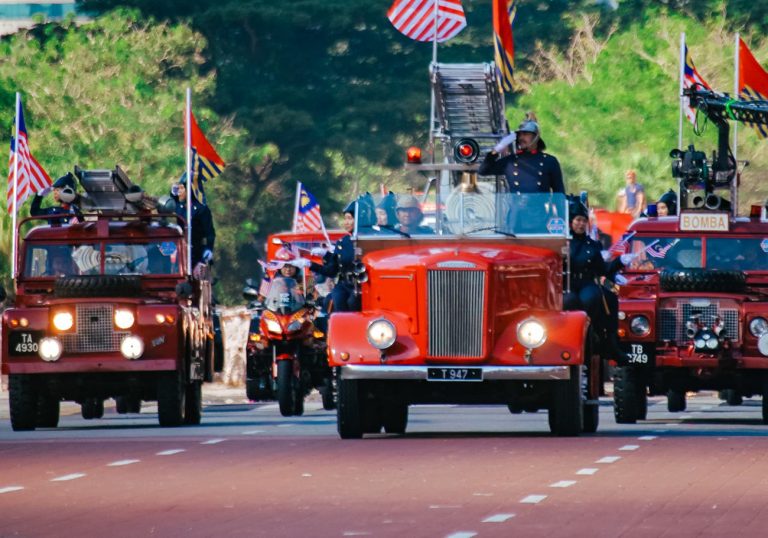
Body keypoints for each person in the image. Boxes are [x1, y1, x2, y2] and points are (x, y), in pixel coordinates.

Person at [564, 199, 634, 365]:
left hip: (586, 282)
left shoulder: (593, 245)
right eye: (578, 220)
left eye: (584, 221)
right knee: (567, 301)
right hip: (567, 282)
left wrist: (619, 261)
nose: (581, 224)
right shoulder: (563, 242)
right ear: (571, 222)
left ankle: (606, 341)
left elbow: (603, 269)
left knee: (597, 297)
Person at [478, 113, 565, 195]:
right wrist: (497, 149)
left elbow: (559, 193)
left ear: (535, 137)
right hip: (517, 206)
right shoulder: (510, 161)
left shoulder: (549, 161)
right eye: (519, 135)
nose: (521, 137)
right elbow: (483, 171)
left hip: (539, 206)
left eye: (525, 134)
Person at [309, 201, 359, 313]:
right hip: (344, 284)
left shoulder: (370, 240)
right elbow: (332, 271)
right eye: (345, 219)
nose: (346, 222)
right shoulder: (342, 242)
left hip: (361, 285)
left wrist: (327, 255)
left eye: (350, 218)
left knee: (353, 301)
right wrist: (311, 264)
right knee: (334, 299)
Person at [171, 175, 216, 277]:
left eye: (182, 188)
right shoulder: (178, 206)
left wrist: (207, 253)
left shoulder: (201, 210)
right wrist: (173, 192)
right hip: (180, 250)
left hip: (197, 250)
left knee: (197, 276)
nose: (179, 192)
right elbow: (169, 202)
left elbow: (210, 234)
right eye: (178, 188)